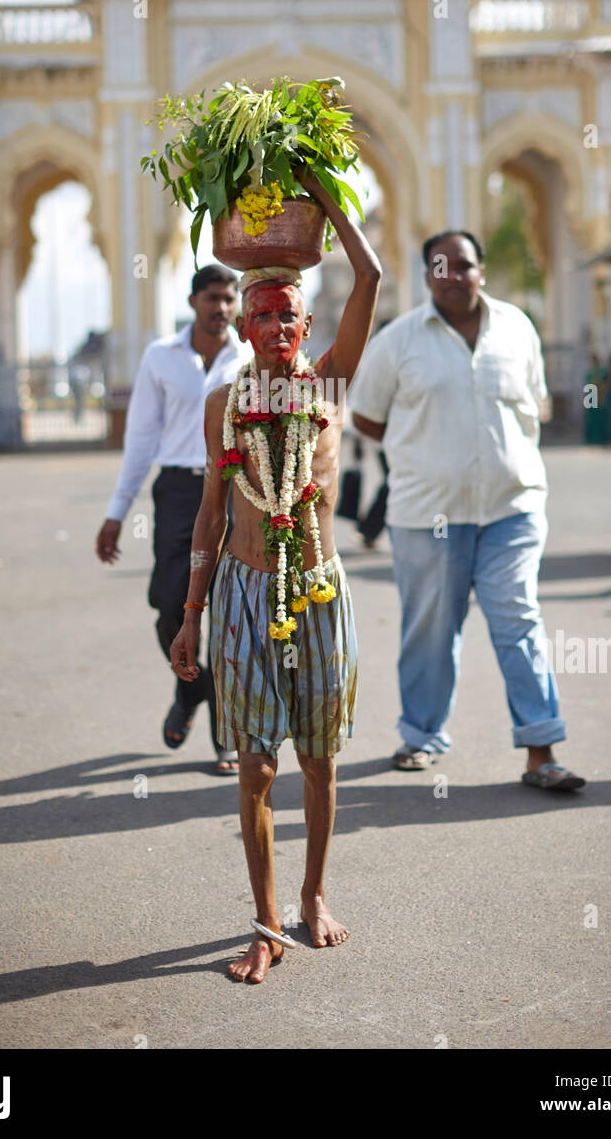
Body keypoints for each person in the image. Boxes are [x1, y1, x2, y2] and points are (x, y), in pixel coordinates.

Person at [170, 166, 381, 984]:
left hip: (319, 591)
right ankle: (265, 923)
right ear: (242, 325)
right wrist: (192, 614)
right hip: (245, 594)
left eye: (285, 312)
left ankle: (313, 895)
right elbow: (211, 516)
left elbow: (371, 276)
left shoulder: (326, 386)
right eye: (258, 313)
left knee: (319, 762)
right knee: (256, 765)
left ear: (305, 319)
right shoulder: (224, 405)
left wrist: (318, 192)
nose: (271, 325)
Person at [350, 230, 585, 792]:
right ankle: (422, 734)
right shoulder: (397, 341)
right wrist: (423, 451)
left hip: (513, 507)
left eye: (464, 264)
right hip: (428, 515)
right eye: (440, 266)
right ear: (426, 274)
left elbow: (535, 404)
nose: (453, 275)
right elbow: (366, 417)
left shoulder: (517, 329)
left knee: (519, 620)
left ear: (481, 270)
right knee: (431, 631)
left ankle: (541, 750)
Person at [95, 265, 249, 775]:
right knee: (169, 606)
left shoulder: (249, 356)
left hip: (236, 489)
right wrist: (117, 513)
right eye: (213, 298)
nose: (221, 307)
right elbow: (140, 437)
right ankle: (194, 691)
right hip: (180, 492)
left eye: (230, 299)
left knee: (229, 611)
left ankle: (225, 732)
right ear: (192, 301)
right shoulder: (160, 357)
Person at [583, 354, 610, 445]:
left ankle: (602, 437)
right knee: (592, 419)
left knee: (600, 418)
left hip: (599, 397)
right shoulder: (590, 372)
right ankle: (592, 438)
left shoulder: (601, 372)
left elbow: (604, 385)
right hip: (591, 398)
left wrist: (603, 396)